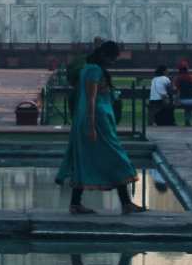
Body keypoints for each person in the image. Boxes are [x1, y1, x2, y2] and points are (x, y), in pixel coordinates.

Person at [56, 40, 144, 215]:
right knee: (117, 158)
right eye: (111, 59)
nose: (112, 63)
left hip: (94, 120)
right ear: (103, 55)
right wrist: (91, 128)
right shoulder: (94, 70)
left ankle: (75, 204)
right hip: (95, 121)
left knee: (85, 159)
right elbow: (90, 99)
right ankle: (126, 203)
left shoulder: (89, 68)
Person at [174, 59, 192, 125]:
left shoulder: (177, 78)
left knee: (187, 104)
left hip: (183, 100)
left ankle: (187, 119)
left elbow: (178, 91)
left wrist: (177, 101)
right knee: (190, 104)